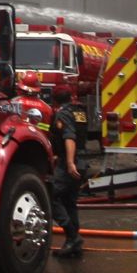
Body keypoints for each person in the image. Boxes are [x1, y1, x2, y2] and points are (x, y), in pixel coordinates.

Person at [46, 87, 84, 258]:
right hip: (82, 162)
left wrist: (69, 163)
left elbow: (69, 137)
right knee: (69, 201)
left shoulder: (63, 114)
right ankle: (74, 241)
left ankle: (72, 236)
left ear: (54, 100)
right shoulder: (79, 111)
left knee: (51, 196)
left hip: (69, 163)